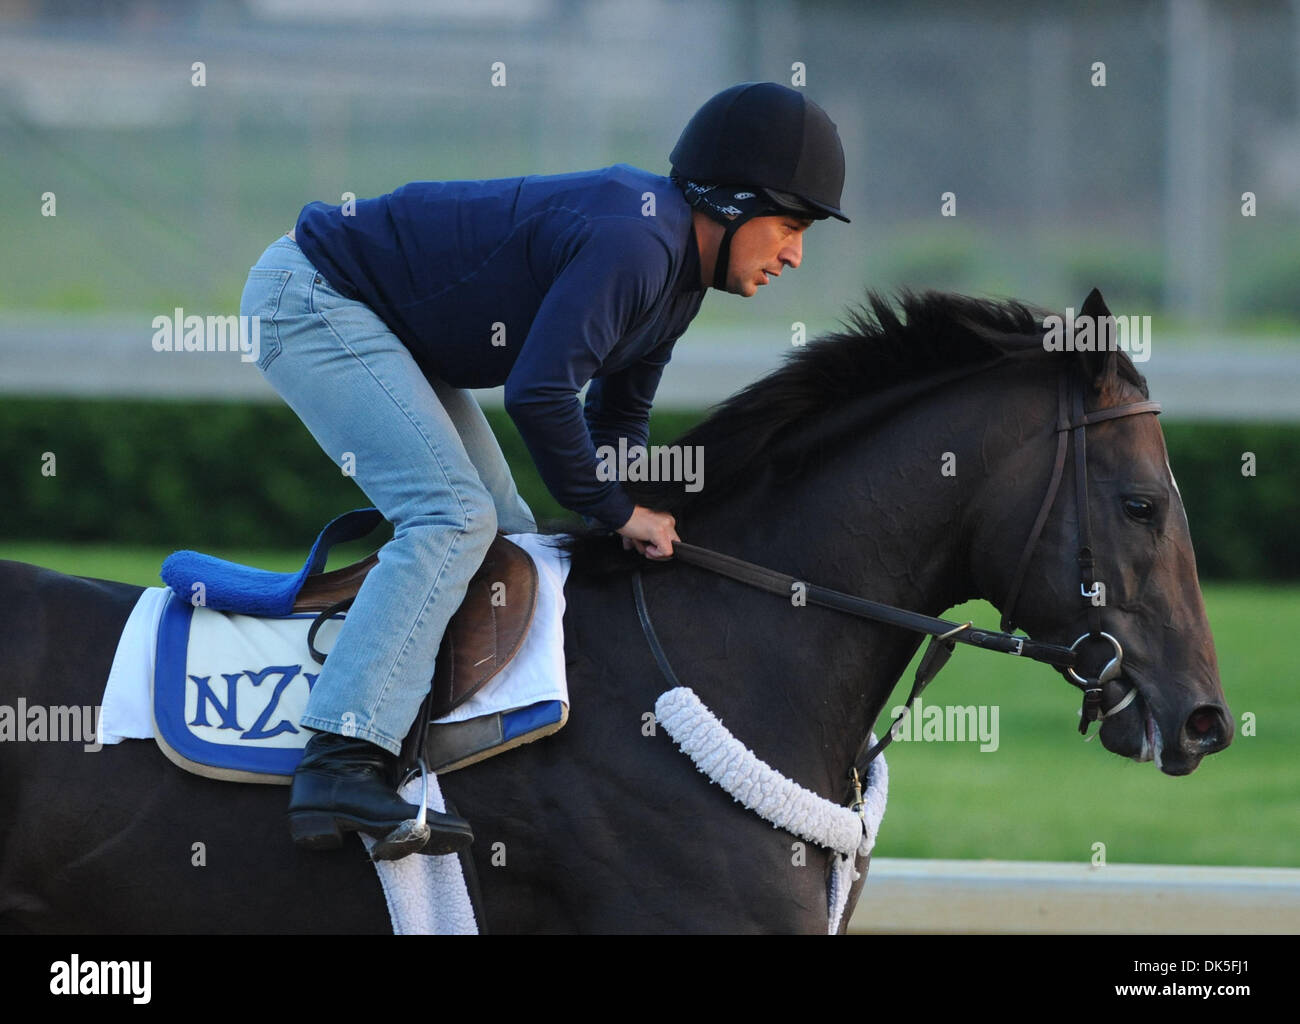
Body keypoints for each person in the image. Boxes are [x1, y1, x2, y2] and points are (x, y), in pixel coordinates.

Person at [238, 81, 850, 859]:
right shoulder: (639, 243)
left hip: (379, 321)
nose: (795, 254)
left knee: (514, 544)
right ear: (728, 204)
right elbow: (539, 392)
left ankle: (447, 750)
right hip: (313, 298)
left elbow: (616, 423)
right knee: (455, 518)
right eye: (790, 225)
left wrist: (656, 513)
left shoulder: (675, 275)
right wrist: (617, 512)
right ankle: (339, 759)